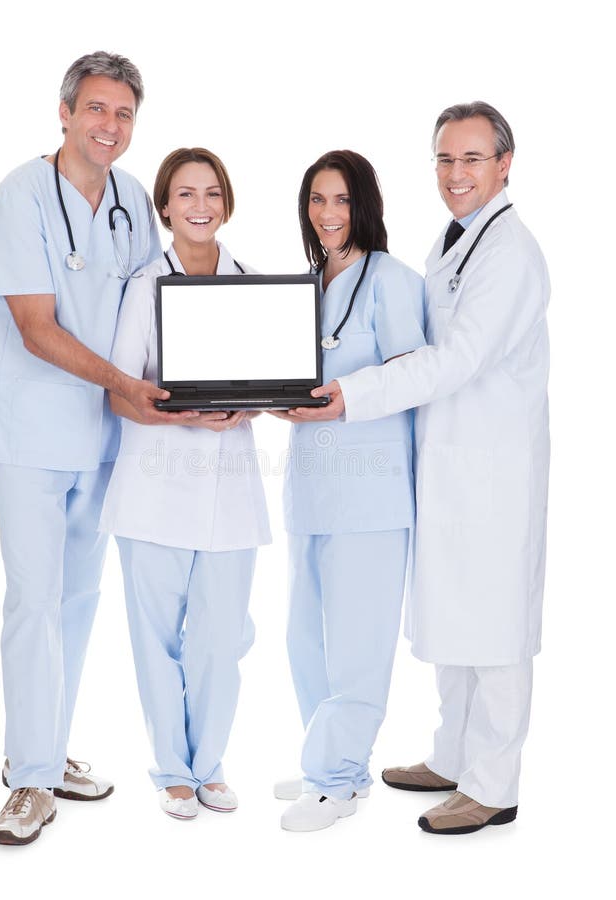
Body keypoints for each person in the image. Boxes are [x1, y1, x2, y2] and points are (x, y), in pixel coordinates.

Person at [290, 103, 550, 835]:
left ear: (505, 163)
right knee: (454, 614)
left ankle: (493, 784)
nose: (456, 174)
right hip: (447, 462)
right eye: (444, 159)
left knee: (494, 623)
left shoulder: (512, 253)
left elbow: (456, 358)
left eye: (471, 159)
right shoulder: (454, 240)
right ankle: (453, 755)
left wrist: (355, 393)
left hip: (494, 468)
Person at [0, 51, 177, 845]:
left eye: (124, 114)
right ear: (65, 113)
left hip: (105, 432)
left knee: (79, 601)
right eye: (96, 109)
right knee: (33, 599)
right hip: (30, 429)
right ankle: (27, 781)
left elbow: (150, 309)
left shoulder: (130, 199)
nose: (109, 126)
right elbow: (35, 325)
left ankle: (46, 753)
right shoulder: (18, 196)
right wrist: (127, 387)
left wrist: (187, 394)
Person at [100, 147, 271, 821]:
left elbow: (266, 384)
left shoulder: (254, 283)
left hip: (230, 491)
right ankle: (173, 769)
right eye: (185, 194)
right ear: (164, 207)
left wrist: (246, 407)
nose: (200, 206)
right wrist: (184, 413)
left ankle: (211, 765)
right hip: (154, 489)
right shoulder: (146, 286)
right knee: (156, 637)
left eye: (212, 193)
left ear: (226, 203)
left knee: (221, 636)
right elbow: (119, 391)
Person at [270, 150, 425, 832]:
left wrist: (342, 402)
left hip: (371, 492)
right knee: (308, 637)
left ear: (365, 205)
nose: (328, 214)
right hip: (312, 486)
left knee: (358, 644)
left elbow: (411, 376)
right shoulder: (308, 281)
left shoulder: (393, 280)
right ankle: (333, 768)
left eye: (341, 200)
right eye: (316, 200)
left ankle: (333, 781)